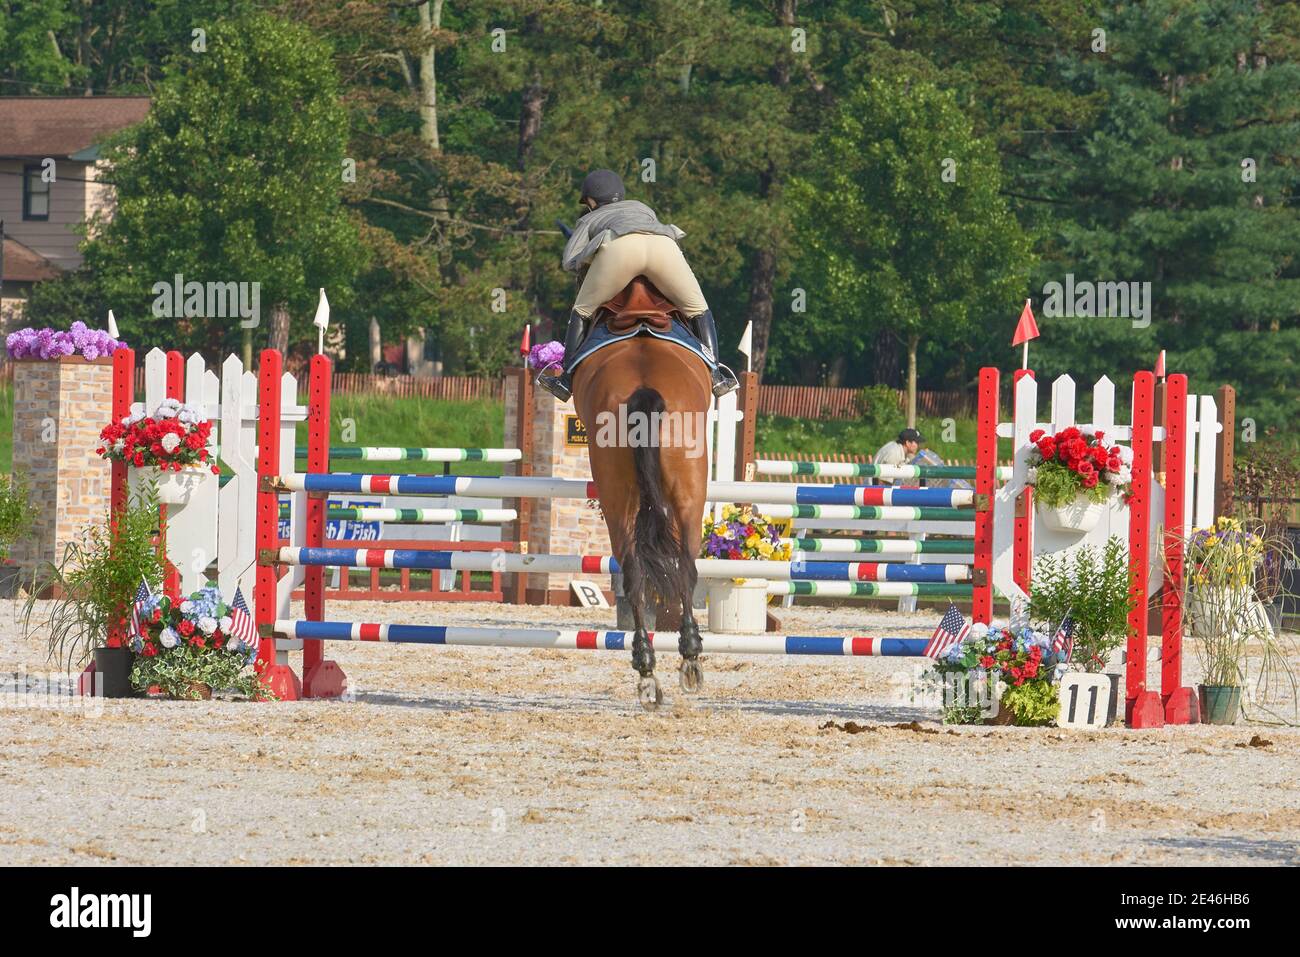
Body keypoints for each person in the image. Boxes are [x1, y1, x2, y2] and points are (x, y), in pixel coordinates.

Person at [537, 169, 739, 401]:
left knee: (581, 310)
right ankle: (716, 375)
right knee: (697, 309)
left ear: (591, 201)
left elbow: (570, 261)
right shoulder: (643, 208)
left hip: (619, 250)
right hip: (663, 246)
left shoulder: (588, 218)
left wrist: (590, 253)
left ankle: (565, 380)